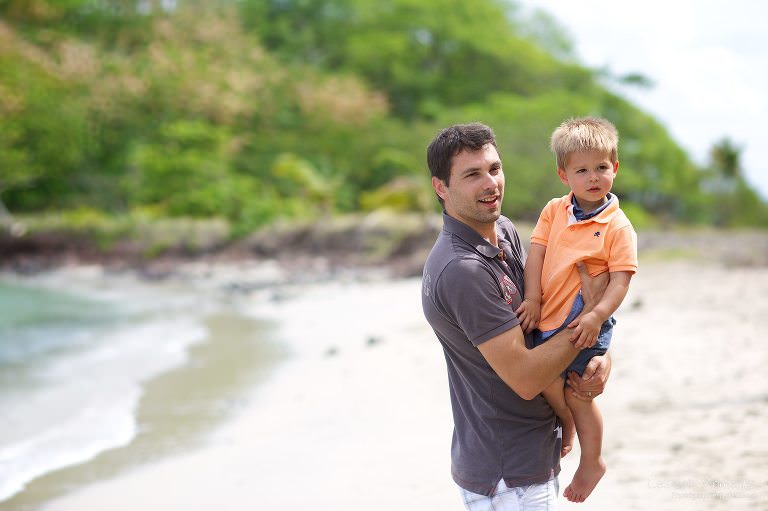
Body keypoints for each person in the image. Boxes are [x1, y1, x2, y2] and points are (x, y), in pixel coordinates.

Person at [422, 122, 612, 510]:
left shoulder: (502, 230)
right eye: (472, 175)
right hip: (506, 474)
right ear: (441, 187)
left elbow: (541, 323)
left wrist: (598, 357)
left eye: (494, 168)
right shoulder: (463, 270)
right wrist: (590, 320)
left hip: (527, 454)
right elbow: (526, 377)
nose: (490, 183)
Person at [516, 117, 638, 503]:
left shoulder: (618, 227)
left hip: (587, 320)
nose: (593, 177)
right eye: (581, 170)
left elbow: (620, 281)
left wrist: (597, 315)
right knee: (547, 383)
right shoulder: (554, 210)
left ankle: (593, 461)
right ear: (563, 174)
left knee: (580, 392)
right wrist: (532, 299)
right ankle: (567, 428)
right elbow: (535, 255)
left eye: (601, 168)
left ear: (614, 169)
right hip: (549, 319)